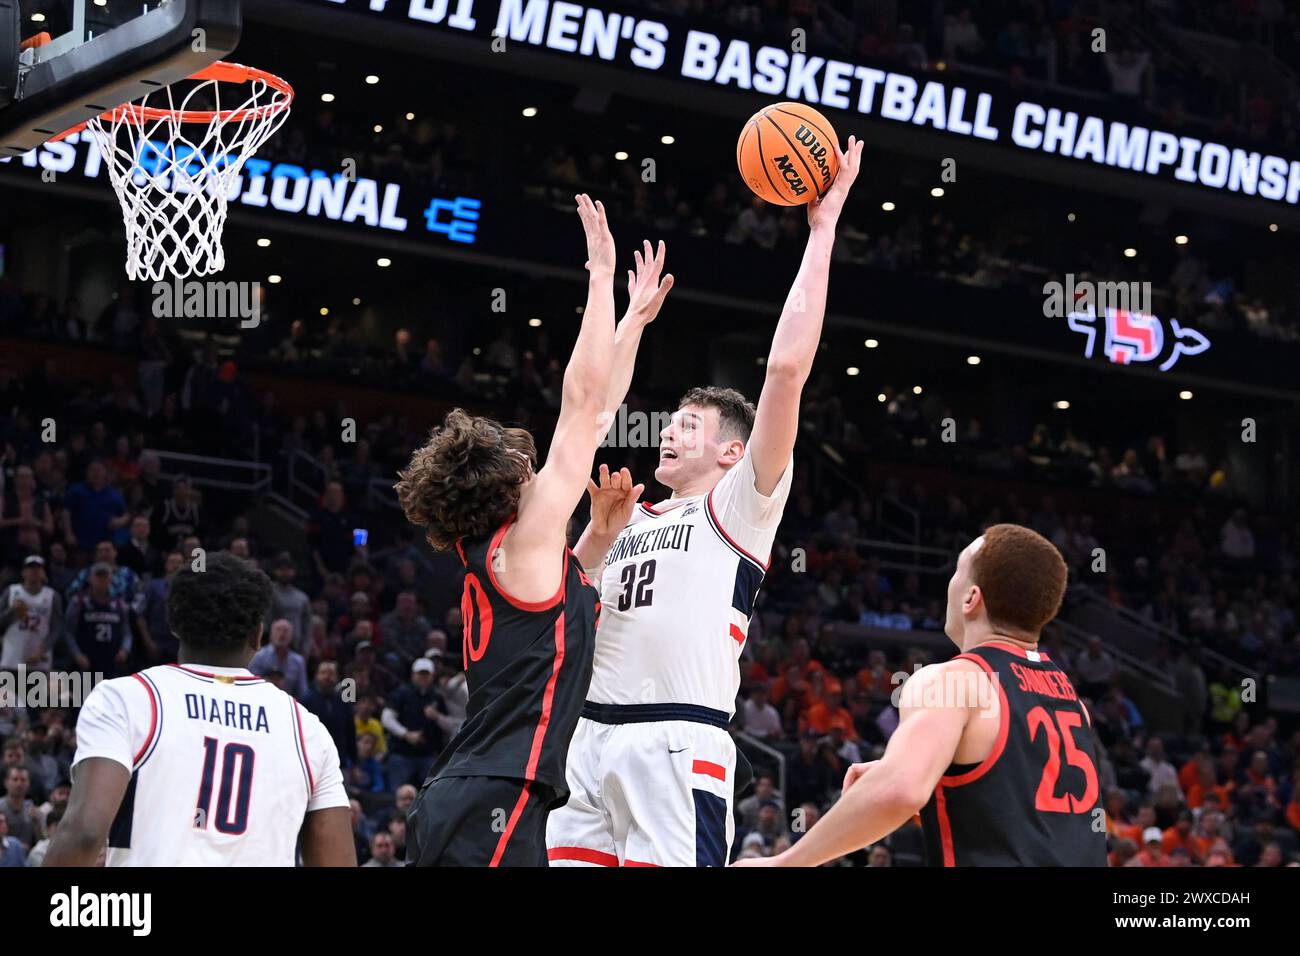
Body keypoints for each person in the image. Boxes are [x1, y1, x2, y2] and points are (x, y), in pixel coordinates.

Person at [547, 138, 864, 867]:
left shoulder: (740, 509)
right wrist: (595, 538)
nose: (668, 432)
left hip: (676, 739)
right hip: (587, 740)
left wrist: (821, 231)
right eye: (670, 422)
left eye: (690, 425)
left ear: (731, 453)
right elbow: (559, 604)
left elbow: (785, 370)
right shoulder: (625, 515)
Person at [397, 195, 623, 867]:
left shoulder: (515, 557)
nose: (542, 467)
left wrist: (634, 321)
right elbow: (584, 403)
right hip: (491, 795)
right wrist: (600, 276)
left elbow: (597, 414)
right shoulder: (522, 543)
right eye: (529, 462)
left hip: (473, 794)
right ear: (511, 478)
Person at [735, 524, 1106, 867]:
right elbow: (1029, 814)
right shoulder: (1070, 699)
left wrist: (786, 862)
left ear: (971, 598)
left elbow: (900, 792)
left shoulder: (952, 681)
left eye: (957, 571)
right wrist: (931, 769)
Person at [42, 552, 354, 866]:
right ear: (258, 635)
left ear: (174, 625)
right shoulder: (307, 728)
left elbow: (84, 833)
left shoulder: (124, 698)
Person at [0, 556, 63, 672]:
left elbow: (56, 628)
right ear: (23, 573)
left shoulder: (52, 596)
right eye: (30, 568)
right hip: (11, 659)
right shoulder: (11, 591)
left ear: (43, 573)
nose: (34, 571)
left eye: (38, 568)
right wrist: (11, 611)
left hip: (39, 659)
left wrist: (42, 650)